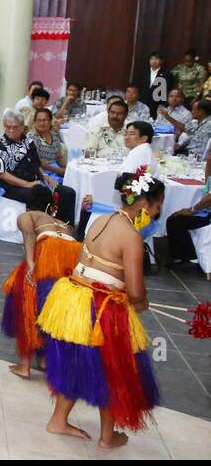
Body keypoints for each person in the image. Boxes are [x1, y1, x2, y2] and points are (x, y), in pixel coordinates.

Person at [38, 171, 162, 448]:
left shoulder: (102, 219)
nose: (156, 214)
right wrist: (142, 302)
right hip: (100, 308)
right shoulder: (131, 237)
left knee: (77, 362)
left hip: (73, 299)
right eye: (156, 208)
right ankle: (107, 436)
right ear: (143, 205)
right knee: (112, 368)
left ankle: (58, 420)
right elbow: (135, 291)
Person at [1, 204, 82, 379]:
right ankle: (45, 359)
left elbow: (29, 236)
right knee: (54, 311)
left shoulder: (27, 215)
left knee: (27, 306)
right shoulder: (63, 223)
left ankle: (24, 366)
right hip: (72, 257)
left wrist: (30, 264)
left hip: (48, 255)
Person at [0, 110, 76, 221]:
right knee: (41, 193)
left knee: (68, 193)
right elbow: (2, 174)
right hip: (11, 186)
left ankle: (64, 227)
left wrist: (45, 176)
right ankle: (43, 227)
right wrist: (27, 184)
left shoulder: (28, 142)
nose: (11, 130)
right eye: (8, 126)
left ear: (22, 127)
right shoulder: (0, 147)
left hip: (35, 181)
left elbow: (36, 164)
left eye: (15, 127)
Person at [30, 108, 68, 179]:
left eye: (44, 120)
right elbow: (38, 162)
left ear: (50, 122)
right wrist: (59, 171)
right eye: (39, 120)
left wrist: (65, 169)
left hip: (56, 170)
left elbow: (58, 157)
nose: (41, 123)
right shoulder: (31, 138)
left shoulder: (54, 136)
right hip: (40, 173)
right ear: (34, 122)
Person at [138, 51, 174, 119]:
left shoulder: (166, 74)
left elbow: (167, 90)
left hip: (157, 104)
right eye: (152, 59)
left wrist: (164, 104)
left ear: (161, 61)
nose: (154, 61)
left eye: (156, 59)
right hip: (143, 102)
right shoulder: (143, 73)